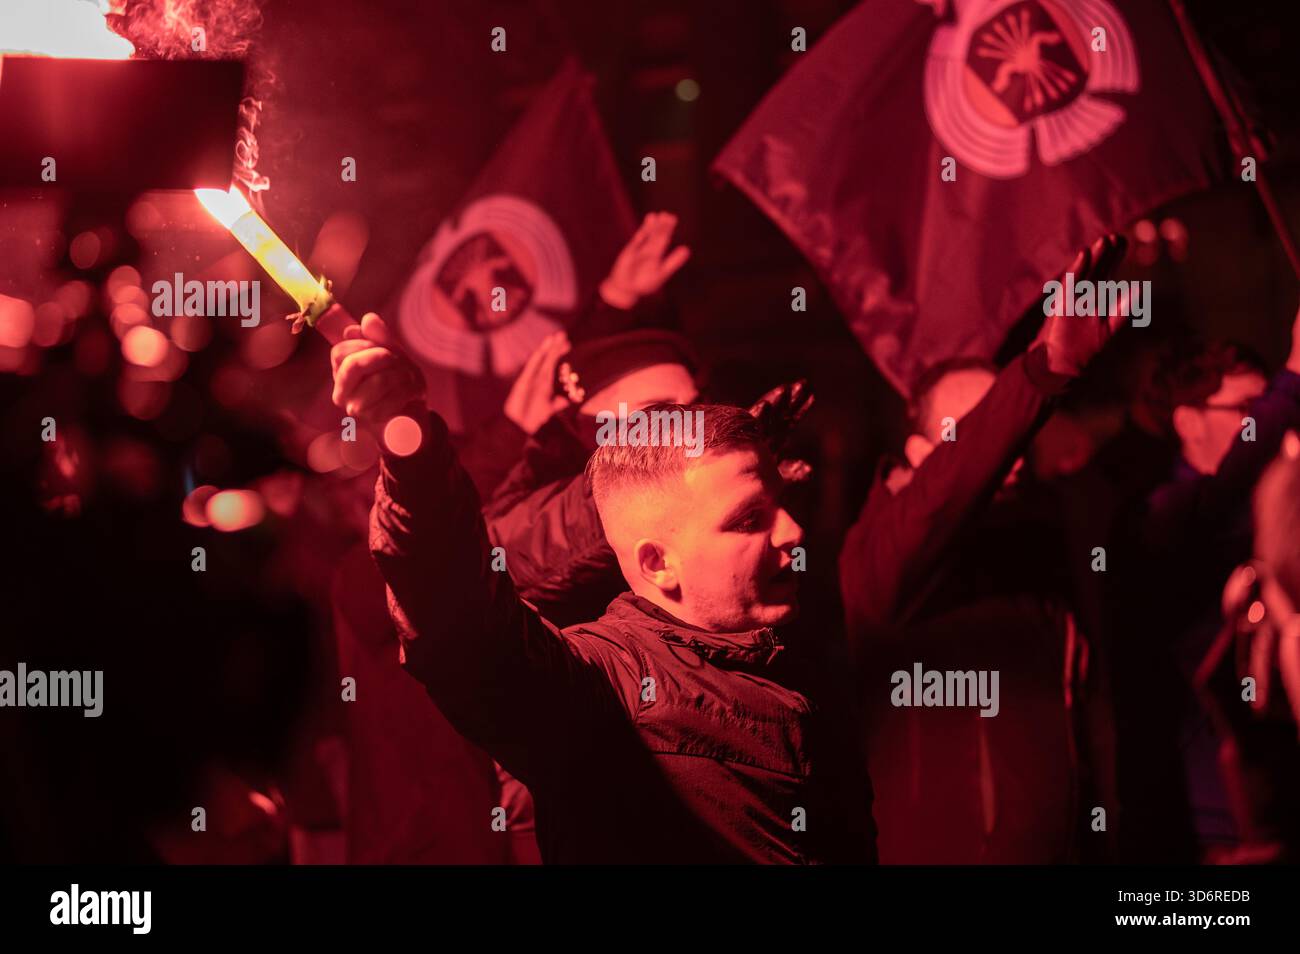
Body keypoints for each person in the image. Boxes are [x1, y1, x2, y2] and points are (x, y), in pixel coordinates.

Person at [330, 308, 872, 862]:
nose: (681, 433)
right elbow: (459, 605)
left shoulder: (790, 635)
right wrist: (410, 446)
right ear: (655, 562)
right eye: (655, 421)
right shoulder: (603, 679)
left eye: (691, 411)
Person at [839, 236, 1129, 863]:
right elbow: (946, 494)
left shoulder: (1042, 555)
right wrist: (1037, 377)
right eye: (974, 430)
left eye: (1008, 426)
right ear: (916, 458)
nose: (1005, 448)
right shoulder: (880, 563)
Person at [1107, 305, 1300, 862]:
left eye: (1266, 409)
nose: (1270, 424)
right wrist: (1293, 382)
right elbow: (1219, 505)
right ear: (1188, 422)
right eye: (1249, 410)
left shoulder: (1273, 503)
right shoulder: (1158, 517)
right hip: (1207, 829)